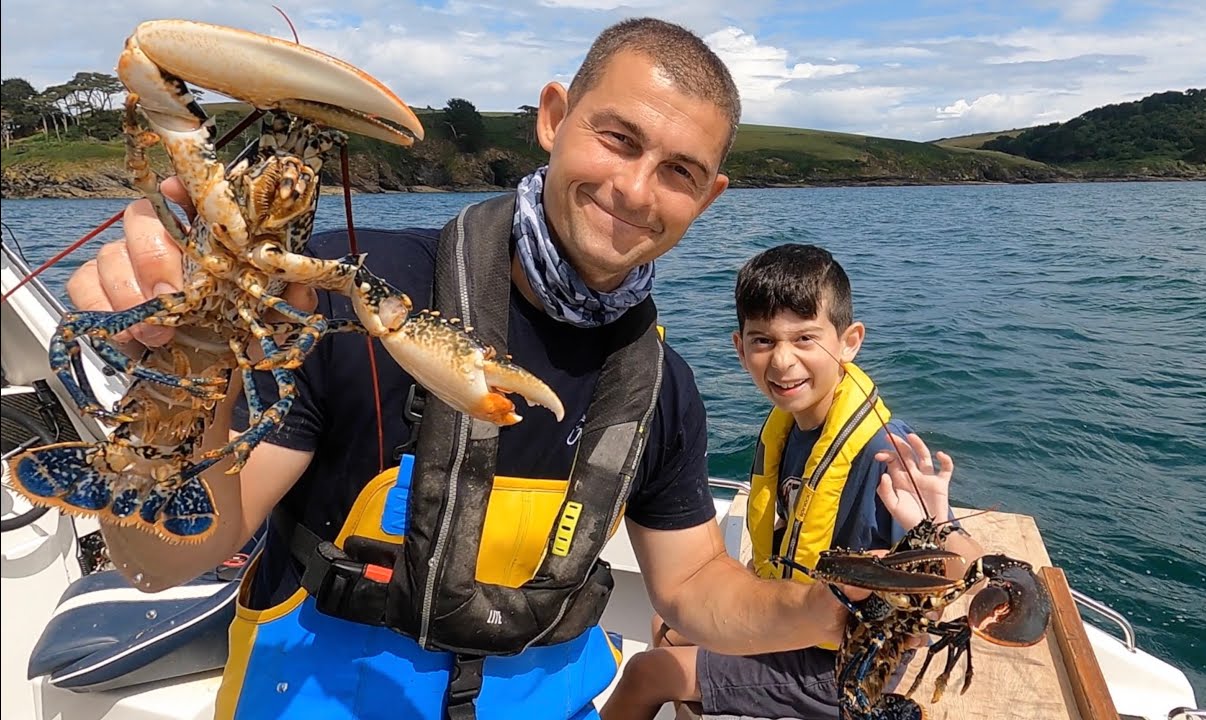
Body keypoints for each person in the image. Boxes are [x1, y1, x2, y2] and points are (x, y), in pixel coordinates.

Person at [66, 18, 882, 720]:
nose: (636, 189)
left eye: (680, 172)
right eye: (618, 138)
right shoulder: (347, 288)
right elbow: (158, 561)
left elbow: (694, 584)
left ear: (708, 198)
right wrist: (182, 367)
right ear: (553, 118)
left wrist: (831, 608)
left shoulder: (661, 384)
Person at [599, 244, 984, 720]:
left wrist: (940, 525)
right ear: (740, 348)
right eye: (763, 340)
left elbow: (962, 571)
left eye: (805, 339)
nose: (782, 361)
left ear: (849, 341)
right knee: (666, 623)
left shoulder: (887, 454)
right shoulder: (793, 431)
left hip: (848, 665)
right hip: (797, 621)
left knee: (647, 672)